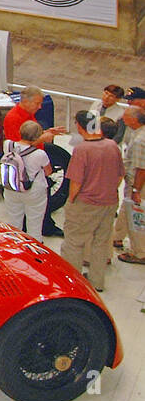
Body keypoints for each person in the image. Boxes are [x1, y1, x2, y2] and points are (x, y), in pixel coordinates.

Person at [61, 110, 124, 292]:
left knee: (74, 242)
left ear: (80, 126)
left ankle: (73, 284)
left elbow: (76, 182)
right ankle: (97, 281)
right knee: (101, 242)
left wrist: (72, 200)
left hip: (86, 203)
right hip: (109, 202)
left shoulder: (82, 149)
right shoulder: (112, 145)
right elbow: (120, 175)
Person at [3, 85, 66, 237]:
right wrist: (43, 138)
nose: (39, 107)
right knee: (34, 219)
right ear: (26, 101)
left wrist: (46, 133)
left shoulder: (25, 115)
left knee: (17, 217)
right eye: (37, 103)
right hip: (29, 178)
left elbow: (25, 138)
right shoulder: (14, 118)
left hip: (18, 183)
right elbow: (20, 145)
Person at [1, 120, 51, 238]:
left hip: (12, 188)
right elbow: (48, 172)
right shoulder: (40, 154)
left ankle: (15, 245)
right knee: (35, 223)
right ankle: (34, 247)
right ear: (38, 137)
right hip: (33, 192)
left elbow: (23, 147)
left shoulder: (8, 145)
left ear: (20, 132)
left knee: (14, 222)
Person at [116, 106, 145, 262]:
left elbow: (141, 168)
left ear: (134, 119)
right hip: (134, 181)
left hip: (138, 183)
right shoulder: (137, 133)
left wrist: (136, 190)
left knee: (137, 216)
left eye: (126, 116)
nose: (122, 118)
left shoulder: (141, 140)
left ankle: (140, 252)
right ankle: (118, 235)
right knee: (127, 209)